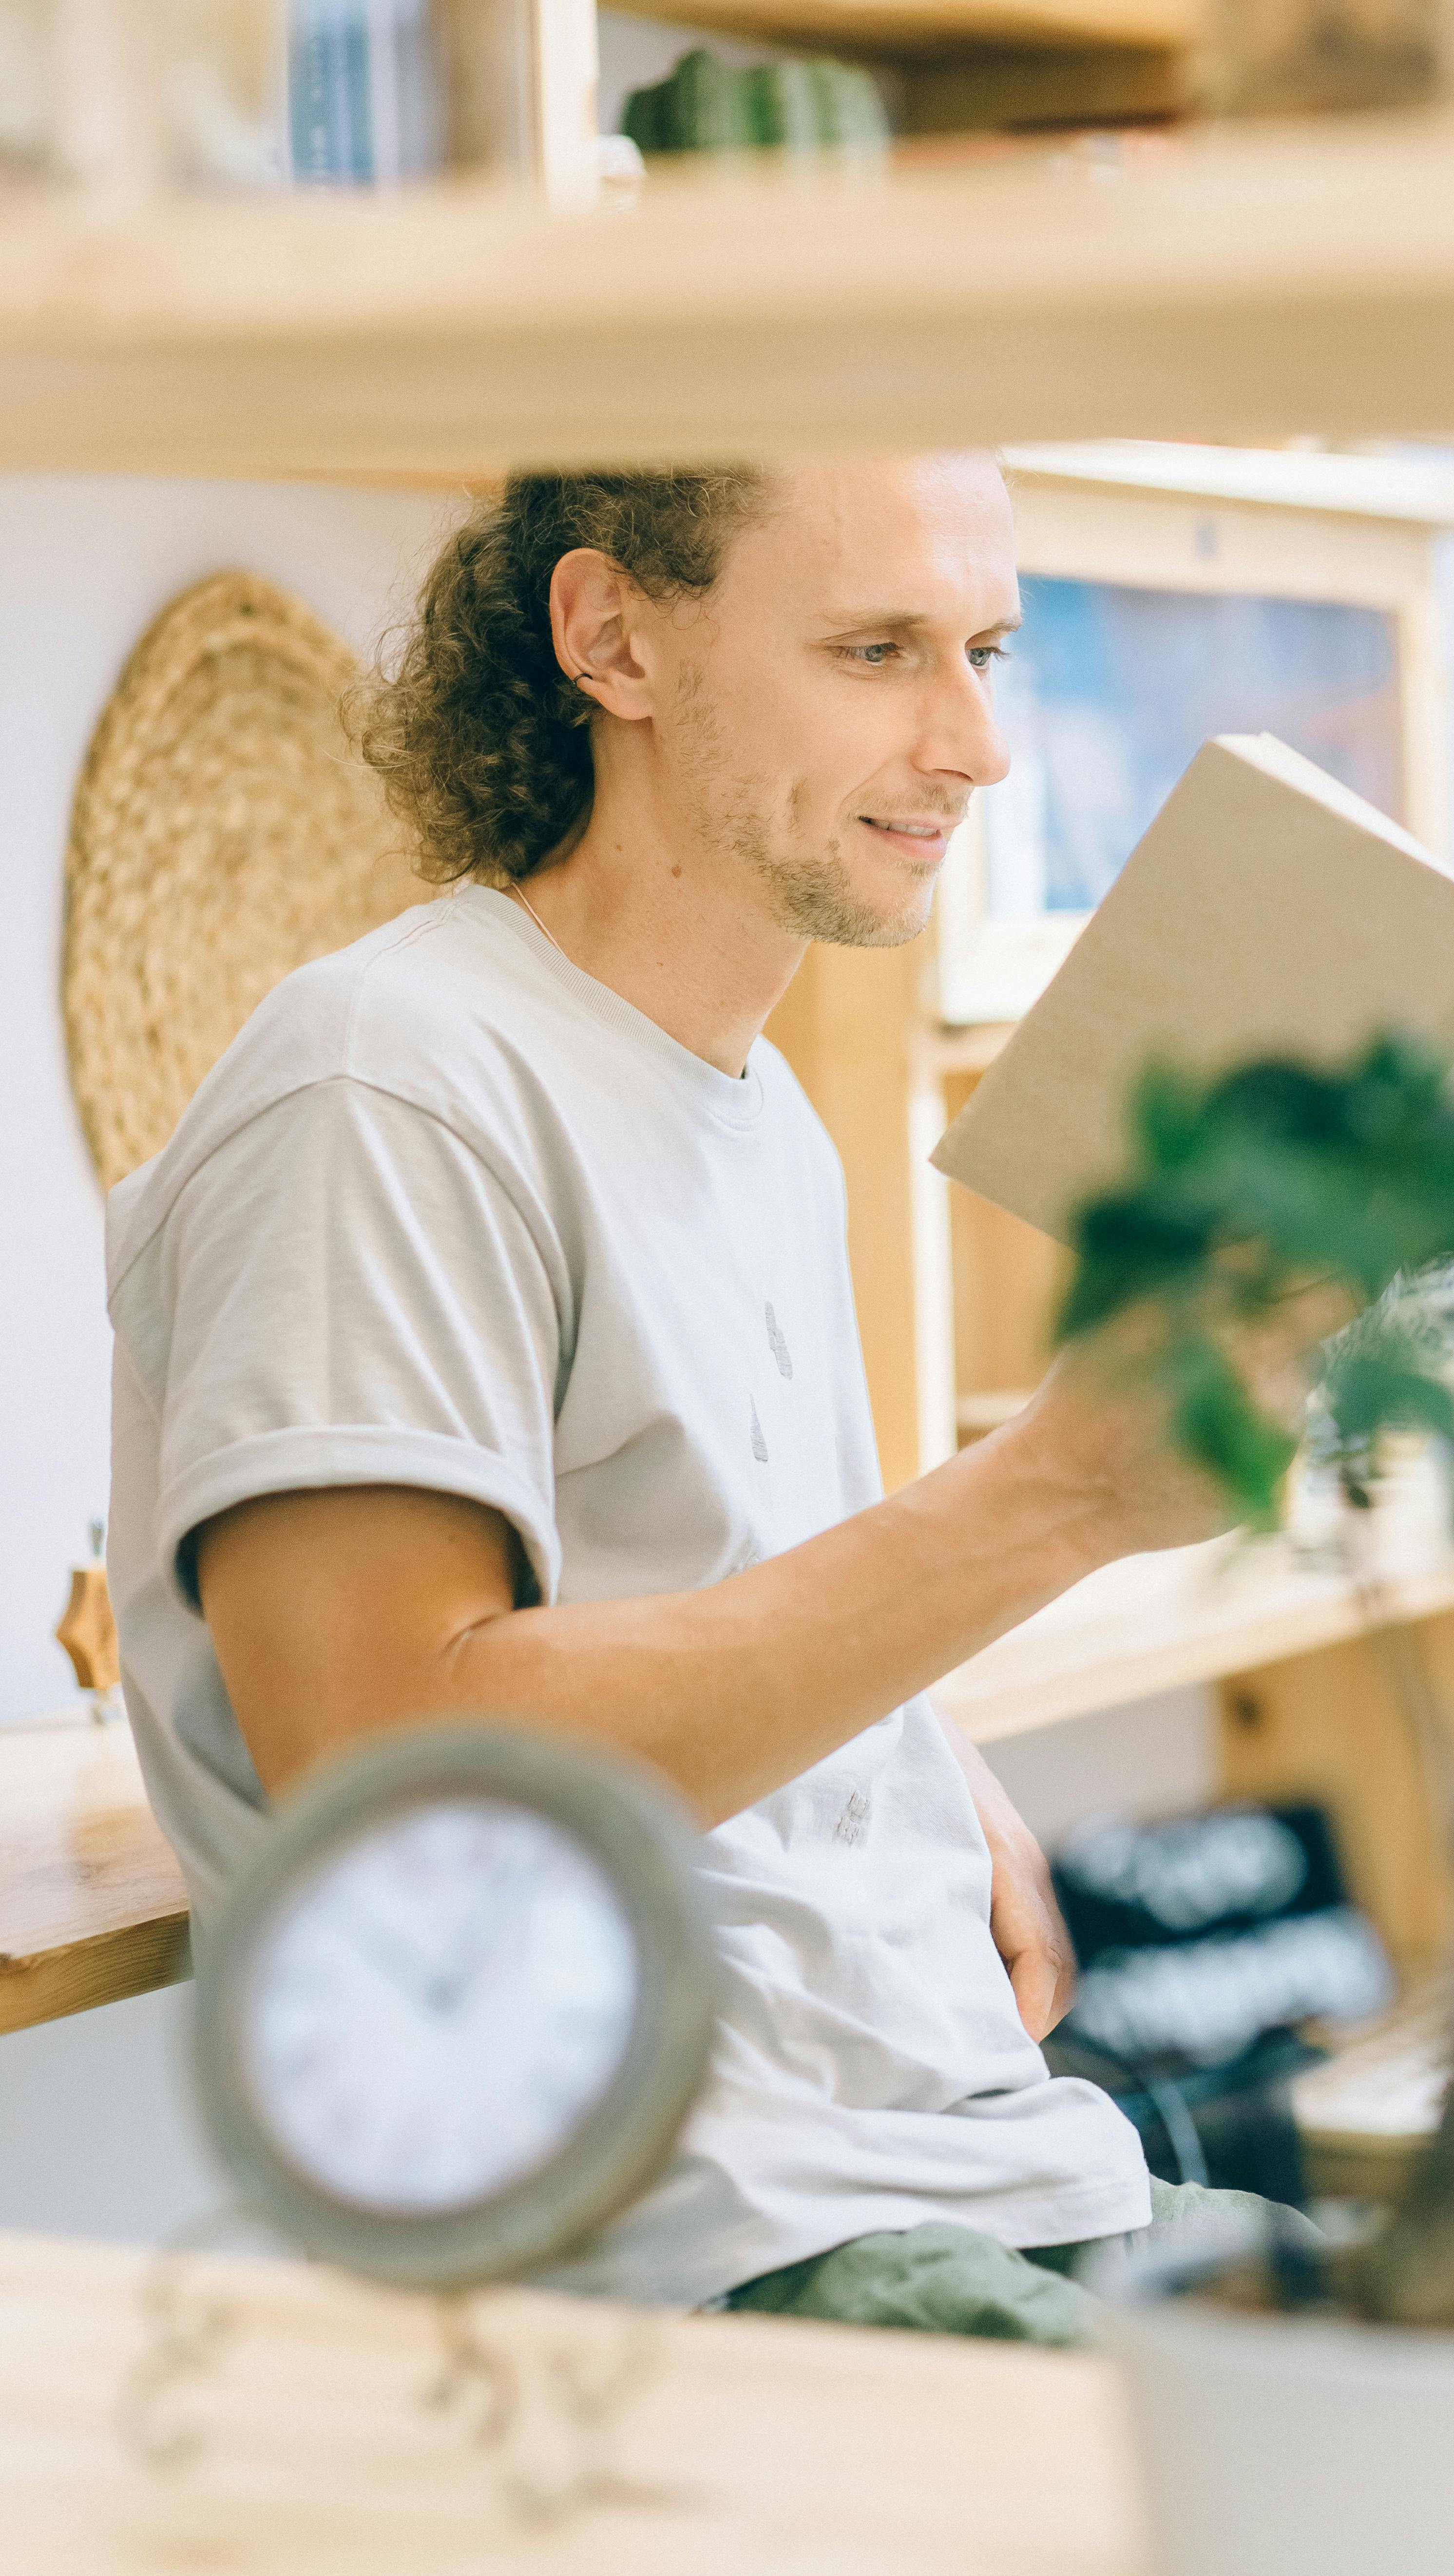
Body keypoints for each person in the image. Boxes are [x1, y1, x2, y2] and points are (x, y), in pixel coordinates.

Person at [105, 455, 1310, 2346]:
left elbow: (677, 1585)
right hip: (723, 2257)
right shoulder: (387, 1083)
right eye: (874, 649)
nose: (977, 742)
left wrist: (912, 1744)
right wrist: (1049, 1495)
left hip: (987, 2165)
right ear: (612, 636)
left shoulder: (757, 1118)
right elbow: (388, 1787)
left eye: (983, 648)